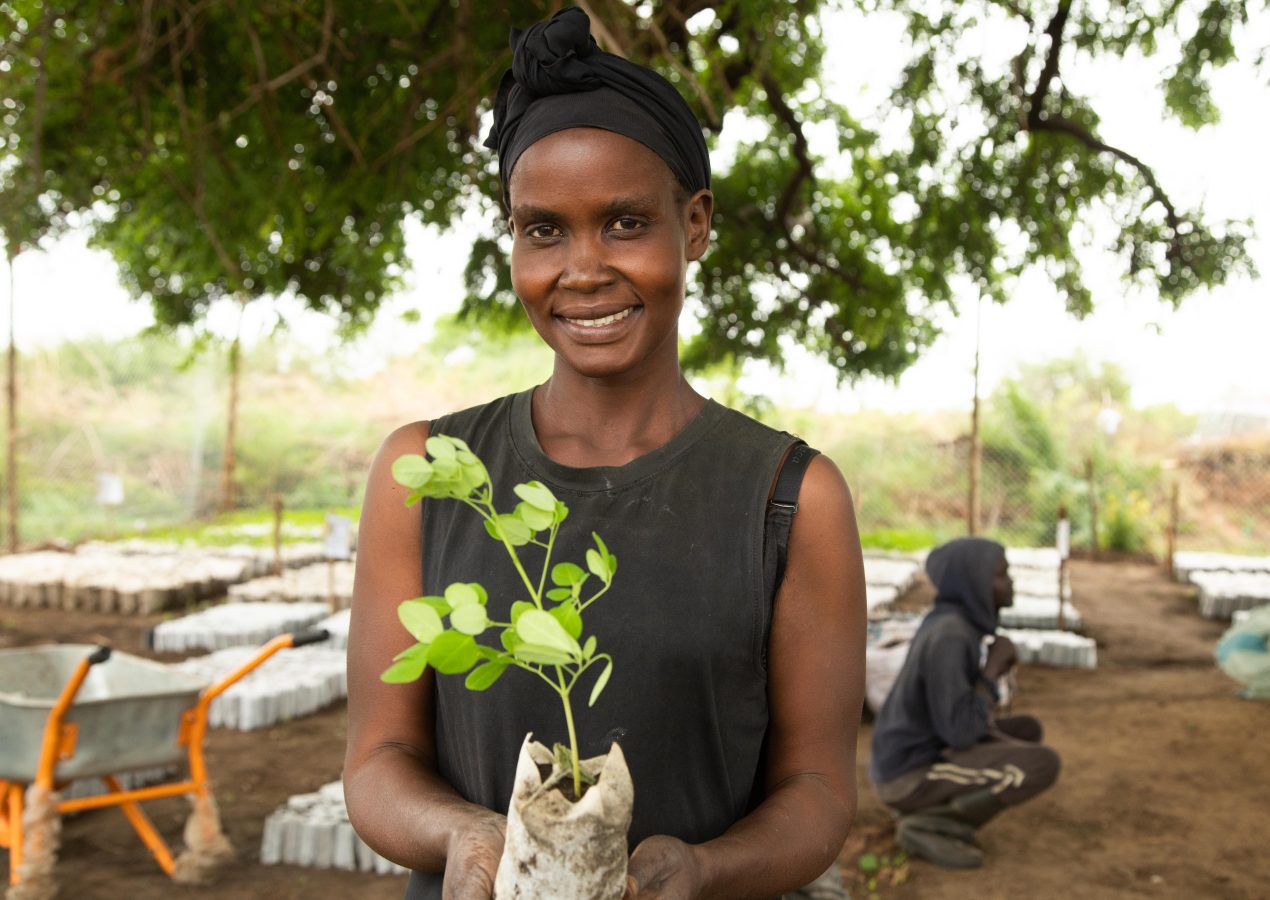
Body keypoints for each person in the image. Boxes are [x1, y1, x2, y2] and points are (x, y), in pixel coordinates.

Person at [342, 8, 867, 899]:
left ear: (694, 225)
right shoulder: (431, 477)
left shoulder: (789, 498)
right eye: (544, 229)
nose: (582, 270)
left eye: (625, 223)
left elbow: (817, 789)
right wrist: (467, 837)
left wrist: (702, 868)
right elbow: (378, 759)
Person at [869, 537, 1060, 869]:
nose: (1010, 582)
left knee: (1027, 730)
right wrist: (992, 671)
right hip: (908, 773)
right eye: (1001, 574)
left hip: (927, 746)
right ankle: (929, 824)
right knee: (1041, 764)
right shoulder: (951, 636)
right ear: (974, 583)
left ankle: (932, 812)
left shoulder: (955, 623)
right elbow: (961, 732)